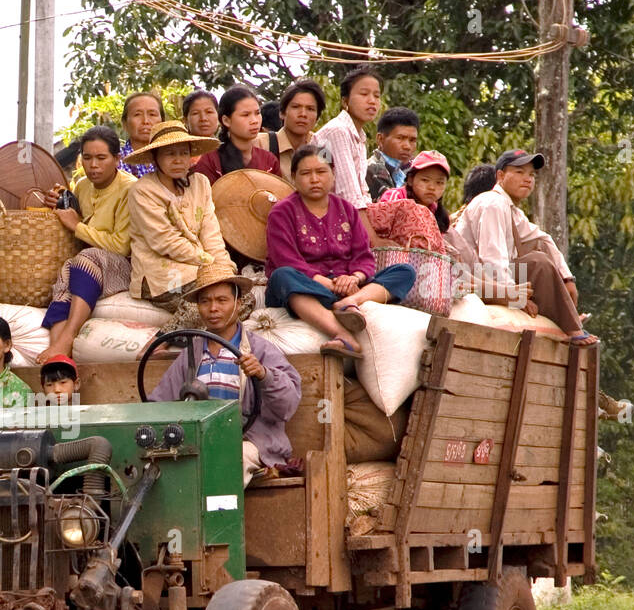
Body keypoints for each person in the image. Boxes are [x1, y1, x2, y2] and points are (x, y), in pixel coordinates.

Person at [149, 261, 301, 487]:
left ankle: (219, 518)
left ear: (238, 304)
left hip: (249, 442)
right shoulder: (190, 355)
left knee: (227, 459)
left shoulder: (260, 350)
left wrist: (263, 374)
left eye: (222, 300)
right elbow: (159, 404)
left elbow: (287, 405)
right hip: (199, 442)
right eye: (205, 301)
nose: (213, 309)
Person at [264, 144, 417, 360]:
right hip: (306, 290)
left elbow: (363, 256)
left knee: (405, 271)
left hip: (348, 288)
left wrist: (355, 278)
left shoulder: (347, 209)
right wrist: (331, 284)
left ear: (333, 174)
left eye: (321, 172)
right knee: (282, 276)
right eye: (306, 173)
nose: (314, 179)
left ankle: (348, 304)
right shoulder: (282, 212)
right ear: (294, 177)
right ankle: (342, 333)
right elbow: (286, 259)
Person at [450, 149, 596, 345]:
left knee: (538, 259)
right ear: (500, 176)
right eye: (519, 172)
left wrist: (567, 278)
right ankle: (572, 327)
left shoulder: (511, 209)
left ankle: (568, 320)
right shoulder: (492, 203)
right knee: (538, 263)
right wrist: (513, 297)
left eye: (531, 174)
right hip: (473, 277)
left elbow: (542, 239)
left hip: (493, 277)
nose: (527, 179)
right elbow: (493, 258)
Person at [38, 125, 136, 361]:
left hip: (123, 267)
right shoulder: (81, 185)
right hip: (90, 268)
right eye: (88, 158)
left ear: (117, 158)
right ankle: (58, 352)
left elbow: (121, 246)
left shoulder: (130, 188)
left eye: (102, 158)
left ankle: (69, 337)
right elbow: (71, 215)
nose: (93, 165)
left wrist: (77, 226)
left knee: (85, 258)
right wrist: (57, 201)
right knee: (67, 269)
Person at [125, 120, 231, 319]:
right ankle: (163, 340)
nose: (178, 160)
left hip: (201, 267)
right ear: (155, 158)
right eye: (169, 154)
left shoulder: (201, 183)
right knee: (208, 309)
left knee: (241, 300)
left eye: (183, 153)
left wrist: (223, 268)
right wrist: (209, 263)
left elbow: (211, 231)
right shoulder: (143, 190)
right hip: (162, 275)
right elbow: (165, 241)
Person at [312, 66, 381, 218]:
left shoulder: (359, 137)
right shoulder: (337, 131)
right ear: (345, 101)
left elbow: (361, 190)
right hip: (332, 215)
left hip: (352, 213)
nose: (372, 101)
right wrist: (372, 237)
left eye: (377, 96)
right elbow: (347, 193)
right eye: (364, 94)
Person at [191, 85, 282, 183]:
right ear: (226, 120)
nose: (254, 121)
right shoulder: (210, 161)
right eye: (245, 115)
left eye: (257, 113)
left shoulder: (269, 160)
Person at [376, 150, 451, 251]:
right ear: (411, 179)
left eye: (439, 182)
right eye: (425, 180)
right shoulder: (395, 197)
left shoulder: (437, 213)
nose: (432, 187)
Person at [269, 79, 326, 180]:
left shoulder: (323, 145)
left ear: (317, 117)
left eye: (310, 109)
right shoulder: (261, 144)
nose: (303, 114)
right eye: (296, 107)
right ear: (282, 113)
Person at [366, 106, 420, 202]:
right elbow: (396, 210)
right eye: (400, 138)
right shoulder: (371, 170)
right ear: (380, 139)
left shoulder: (413, 171)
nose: (407, 146)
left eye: (412, 140)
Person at [117, 92, 166, 178]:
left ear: (163, 121)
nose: (145, 121)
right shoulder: (115, 160)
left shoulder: (171, 158)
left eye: (152, 114)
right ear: (125, 123)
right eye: (137, 114)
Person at [181, 90, 220, 155]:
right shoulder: (179, 153)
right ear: (185, 120)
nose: (203, 118)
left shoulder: (229, 152)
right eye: (195, 113)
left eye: (209, 112)